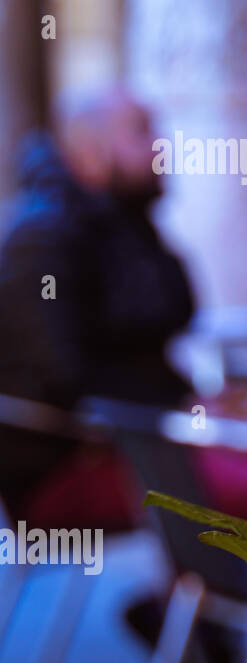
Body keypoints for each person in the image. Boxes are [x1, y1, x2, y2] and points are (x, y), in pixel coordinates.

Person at [0, 87, 194, 527]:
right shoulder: (43, 238)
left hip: (140, 438)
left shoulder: (125, 225)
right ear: (92, 150)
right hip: (67, 462)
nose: (160, 146)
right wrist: (179, 410)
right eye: (142, 132)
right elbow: (63, 377)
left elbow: (156, 329)